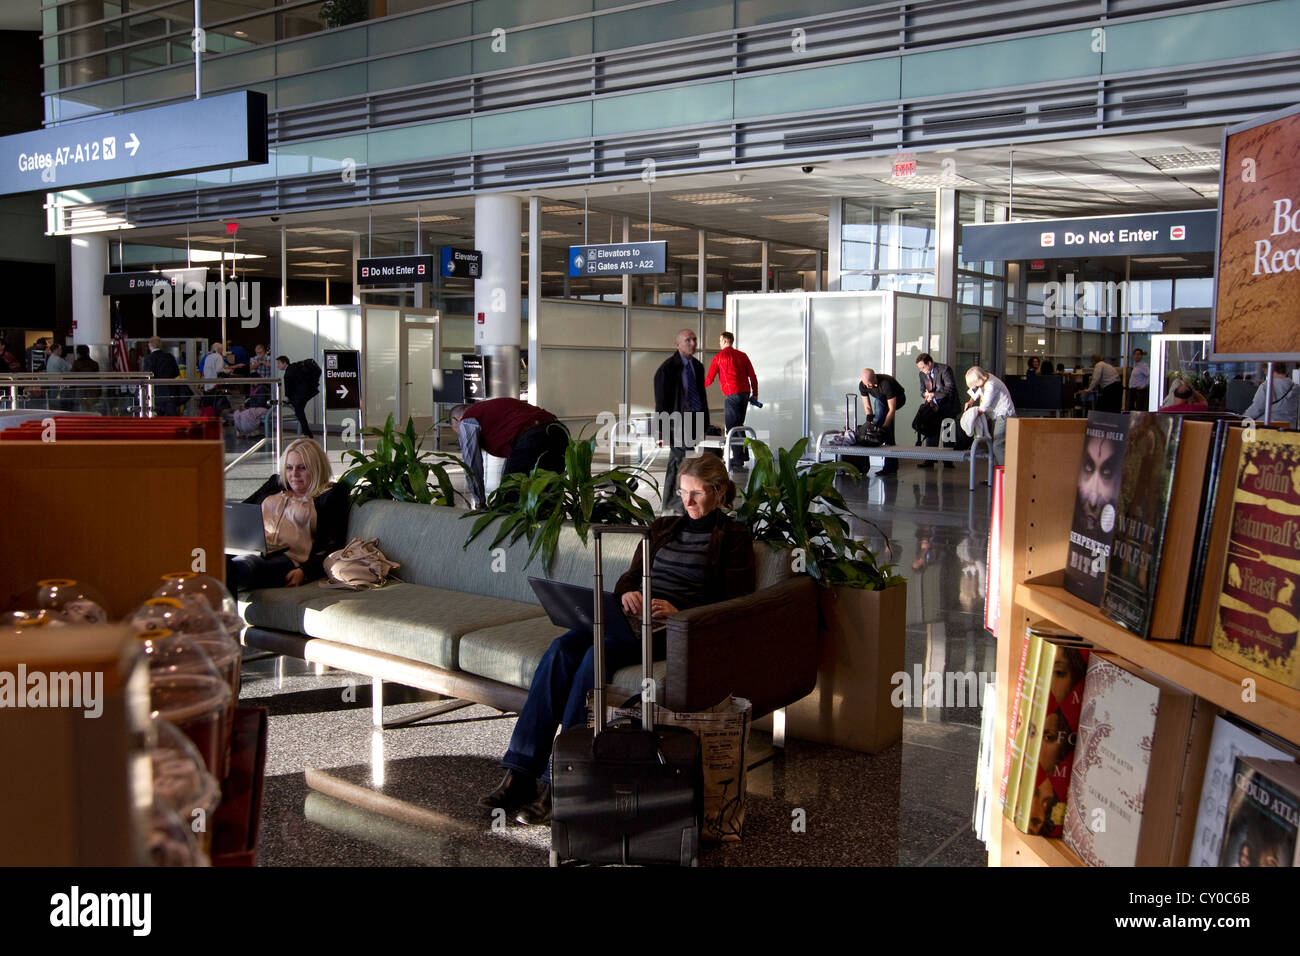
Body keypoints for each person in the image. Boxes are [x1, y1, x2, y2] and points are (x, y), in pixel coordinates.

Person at [479, 453, 756, 825]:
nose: (687, 502)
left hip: (674, 627)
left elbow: (735, 599)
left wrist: (679, 611)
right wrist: (628, 594)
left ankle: (561, 780)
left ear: (719, 492)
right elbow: (630, 577)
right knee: (561, 649)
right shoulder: (662, 528)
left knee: (597, 655)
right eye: (682, 492)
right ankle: (520, 771)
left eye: (697, 494)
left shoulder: (735, 539)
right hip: (632, 617)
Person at [226, 438, 350, 593]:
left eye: (302, 468)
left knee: (242, 567)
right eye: (289, 468)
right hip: (254, 549)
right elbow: (241, 510)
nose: (294, 474)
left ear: (317, 468)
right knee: (206, 559)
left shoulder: (331, 494)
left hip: (289, 559)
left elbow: (333, 545)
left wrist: (305, 572)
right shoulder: (275, 484)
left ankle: (217, 615)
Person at [449, 397, 569, 509]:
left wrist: (480, 502)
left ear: (458, 420)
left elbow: (471, 464)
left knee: (512, 499)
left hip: (534, 437)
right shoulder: (494, 410)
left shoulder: (467, 420)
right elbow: (513, 460)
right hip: (558, 431)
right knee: (548, 493)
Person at [654, 328, 711, 513]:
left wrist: (705, 424)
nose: (693, 343)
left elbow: (702, 397)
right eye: (688, 340)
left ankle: (675, 504)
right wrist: (661, 432)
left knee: (683, 461)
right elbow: (661, 403)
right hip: (676, 422)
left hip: (694, 419)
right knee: (680, 461)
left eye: (694, 339)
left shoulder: (698, 366)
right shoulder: (667, 369)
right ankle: (675, 505)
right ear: (677, 344)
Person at [704, 331, 759, 470]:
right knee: (739, 424)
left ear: (723, 340)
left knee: (732, 427)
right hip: (745, 393)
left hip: (731, 393)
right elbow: (752, 376)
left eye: (719, 340)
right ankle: (742, 455)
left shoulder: (719, 357)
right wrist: (755, 394)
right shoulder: (743, 356)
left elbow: (709, 379)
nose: (719, 342)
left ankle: (738, 459)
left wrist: (696, 388)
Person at [962, 365, 1016, 467]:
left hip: (1004, 416)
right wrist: (970, 402)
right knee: (994, 446)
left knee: (998, 446)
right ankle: (995, 477)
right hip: (998, 416)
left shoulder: (991, 385)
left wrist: (968, 416)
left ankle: (1004, 475)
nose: (975, 387)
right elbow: (978, 392)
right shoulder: (986, 377)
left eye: (975, 384)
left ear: (978, 380)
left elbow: (983, 407)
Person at [914, 353, 957, 469]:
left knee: (948, 433)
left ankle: (948, 460)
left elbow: (950, 388)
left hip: (948, 406)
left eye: (923, 367)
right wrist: (925, 395)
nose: (922, 370)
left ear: (929, 363)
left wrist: (934, 395)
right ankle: (930, 459)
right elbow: (922, 389)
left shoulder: (944, 369)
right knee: (931, 432)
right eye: (920, 368)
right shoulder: (922, 374)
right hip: (933, 407)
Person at [859, 367, 905, 474]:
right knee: (882, 431)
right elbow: (867, 407)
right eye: (866, 384)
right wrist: (869, 422)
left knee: (879, 402)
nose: (868, 387)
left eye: (869, 384)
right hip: (883, 401)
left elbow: (892, 409)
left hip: (899, 398)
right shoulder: (863, 385)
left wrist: (884, 428)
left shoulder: (886, 383)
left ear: (875, 378)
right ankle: (890, 467)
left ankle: (890, 466)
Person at [277, 354, 319, 439]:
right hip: (309, 391)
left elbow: (288, 389)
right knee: (299, 410)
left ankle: (307, 433)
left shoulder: (288, 373)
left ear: (284, 363)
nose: (278, 366)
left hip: (302, 394)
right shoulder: (295, 367)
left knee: (299, 411)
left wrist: (287, 398)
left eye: (279, 363)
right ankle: (306, 432)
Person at [142, 336, 183, 416]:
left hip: (155, 394)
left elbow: (146, 377)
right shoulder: (169, 357)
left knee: (156, 421)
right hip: (170, 393)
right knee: (171, 421)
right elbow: (176, 373)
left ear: (150, 345)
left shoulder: (148, 358)